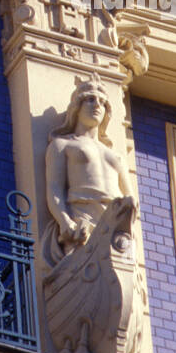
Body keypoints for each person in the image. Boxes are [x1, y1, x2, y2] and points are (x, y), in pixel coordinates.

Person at [45, 80, 132, 257]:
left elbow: (129, 198)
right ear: (77, 107)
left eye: (102, 102)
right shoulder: (62, 145)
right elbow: (54, 188)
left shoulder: (115, 156)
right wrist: (64, 221)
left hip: (114, 221)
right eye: (90, 99)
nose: (97, 105)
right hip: (82, 218)